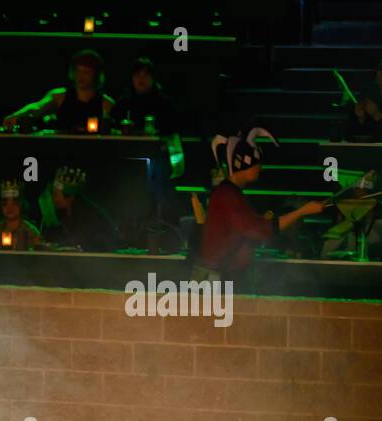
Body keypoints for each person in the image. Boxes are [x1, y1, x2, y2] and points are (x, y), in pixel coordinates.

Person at [195, 126, 324, 284]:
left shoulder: (229, 193)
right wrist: (302, 211)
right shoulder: (227, 195)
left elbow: (251, 229)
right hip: (217, 277)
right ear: (245, 163)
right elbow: (257, 229)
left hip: (219, 275)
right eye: (258, 163)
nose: (260, 167)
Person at [3, 48, 114, 134]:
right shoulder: (59, 96)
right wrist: (16, 116)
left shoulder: (106, 103)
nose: (80, 76)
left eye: (86, 72)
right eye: (78, 71)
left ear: (96, 75)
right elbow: (36, 108)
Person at [37, 166, 119, 251]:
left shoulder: (88, 214)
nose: (53, 198)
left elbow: (79, 240)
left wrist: (54, 247)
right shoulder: (66, 212)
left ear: (70, 197)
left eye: (56, 195)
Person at [110, 57, 178, 135]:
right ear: (131, 78)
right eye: (137, 74)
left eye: (146, 73)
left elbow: (172, 130)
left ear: (153, 78)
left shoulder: (164, 104)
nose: (141, 78)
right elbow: (113, 129)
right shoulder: (122, 104)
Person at [0, 179, 42, 250]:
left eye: (14, 204)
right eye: (5, 204)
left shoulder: (31, 231)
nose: (10, 208)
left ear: (20, 205)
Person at [343, 58, 382, 142]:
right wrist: (361, 118)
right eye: (379, 70)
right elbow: (350, 135)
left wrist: (377, 115)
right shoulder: (368, 93)